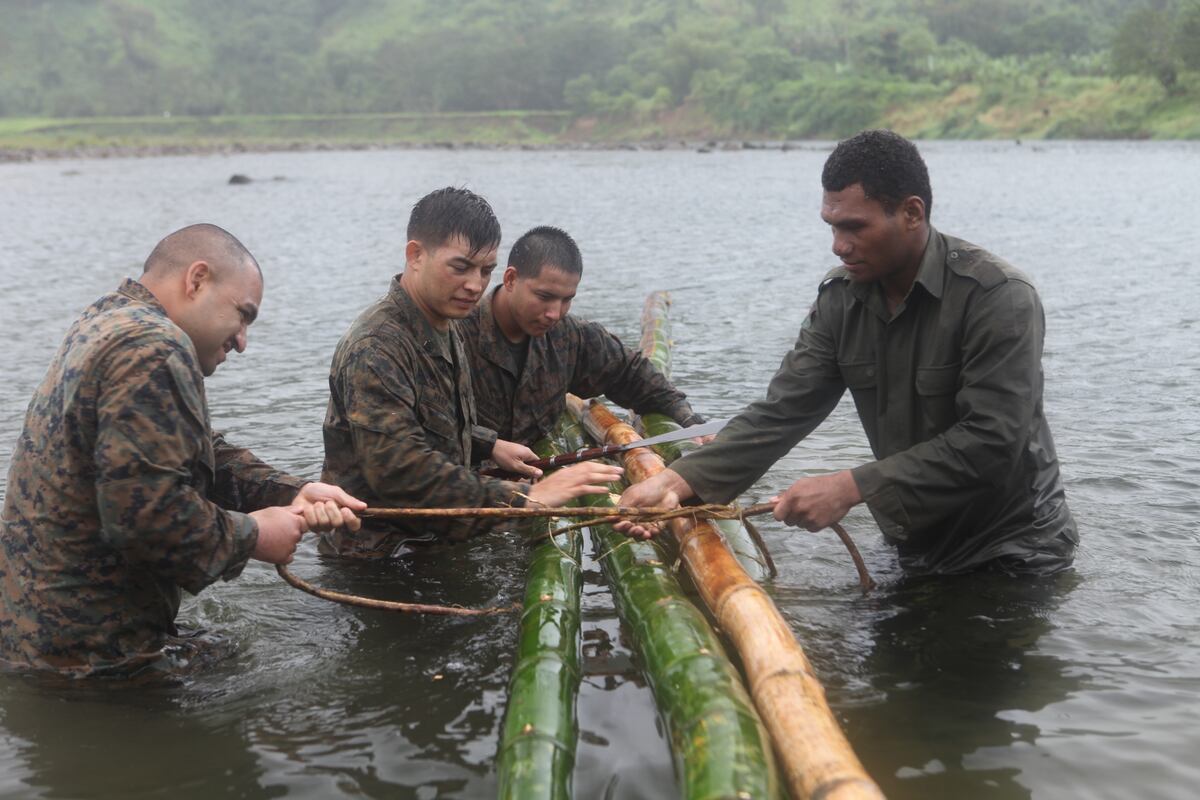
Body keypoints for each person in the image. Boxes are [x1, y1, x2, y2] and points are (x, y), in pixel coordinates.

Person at [619, 130, 1077, 575]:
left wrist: (850, 487)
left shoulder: (997, 297)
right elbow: (782, 411)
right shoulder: (841, 299)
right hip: (912, 541)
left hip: (1014, 549)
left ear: (912, 213)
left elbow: (992, 441)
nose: (839, 245)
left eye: (855, 227)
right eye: (833, 226)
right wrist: (677, 482)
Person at [0, 224, 366, 677]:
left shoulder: (107, 320)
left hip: (37, 638)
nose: (242, 342)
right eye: (243, 315)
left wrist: (290, 493)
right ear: (197, 280)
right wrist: (254, 535)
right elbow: (146, 517)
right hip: (92, 658)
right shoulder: (156, 347)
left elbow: (186, 451)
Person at [321, 189, 621, 558]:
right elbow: (400, 470)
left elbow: (425, 419)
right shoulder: (377, 346)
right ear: (415, 255)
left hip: (433, 541)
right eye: (460, 267)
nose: (475, 285)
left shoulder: (444, 324)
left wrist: (487, 443)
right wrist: (526, 498)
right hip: (377, 558)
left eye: (485, 270)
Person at [459, 225, 704, 448]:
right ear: (511, 279)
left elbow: (631, 373)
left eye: (566, 299)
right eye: (544, 297)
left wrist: (688, 420)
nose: (554, 313)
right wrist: (491, 447)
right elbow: (440, 433)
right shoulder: (457, 336)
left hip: (539, 469)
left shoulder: (567, 337)